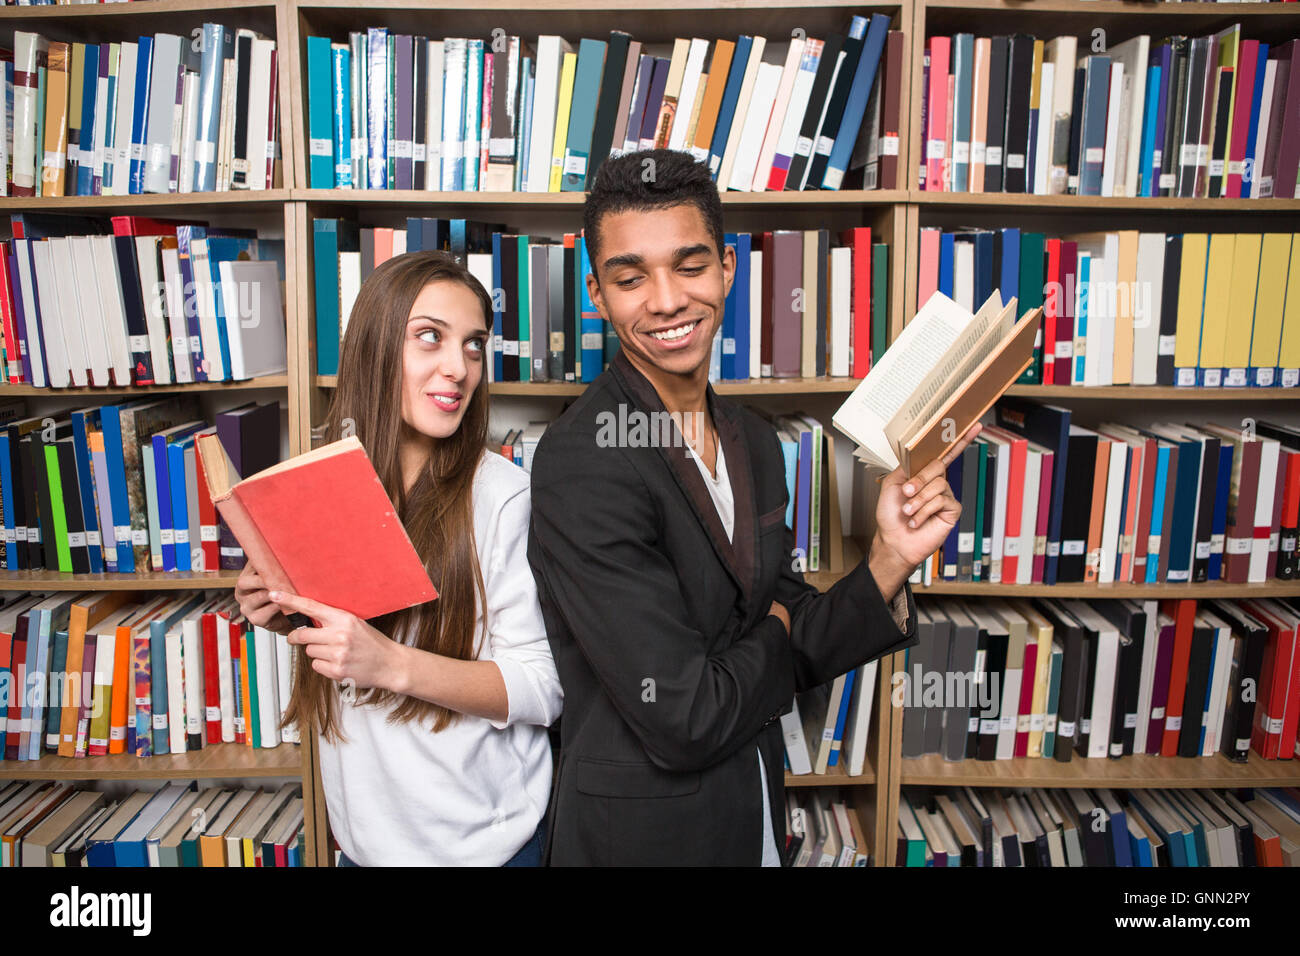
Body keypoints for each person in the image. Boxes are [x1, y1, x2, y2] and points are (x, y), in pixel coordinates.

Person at [526, 149, 979, 866]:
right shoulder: (583, 462)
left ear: (728, 268)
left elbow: (793, 623)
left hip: (756, 812)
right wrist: (776, 628)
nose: (668, 299)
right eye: (631, 277)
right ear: (596, 293)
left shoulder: (756, 442)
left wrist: (890, 557)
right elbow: (683, 717)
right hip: (646, 842)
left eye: (690, 264)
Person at [235, 251, 563, 866]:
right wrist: (284, 611)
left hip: (485, 850)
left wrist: (390, 663)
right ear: (377, 348)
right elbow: (344, 640)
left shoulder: (502, 496)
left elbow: (543, 688)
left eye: (473, 345)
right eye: (429, 338)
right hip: (364, 846)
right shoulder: (321, 482)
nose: (458, 367)